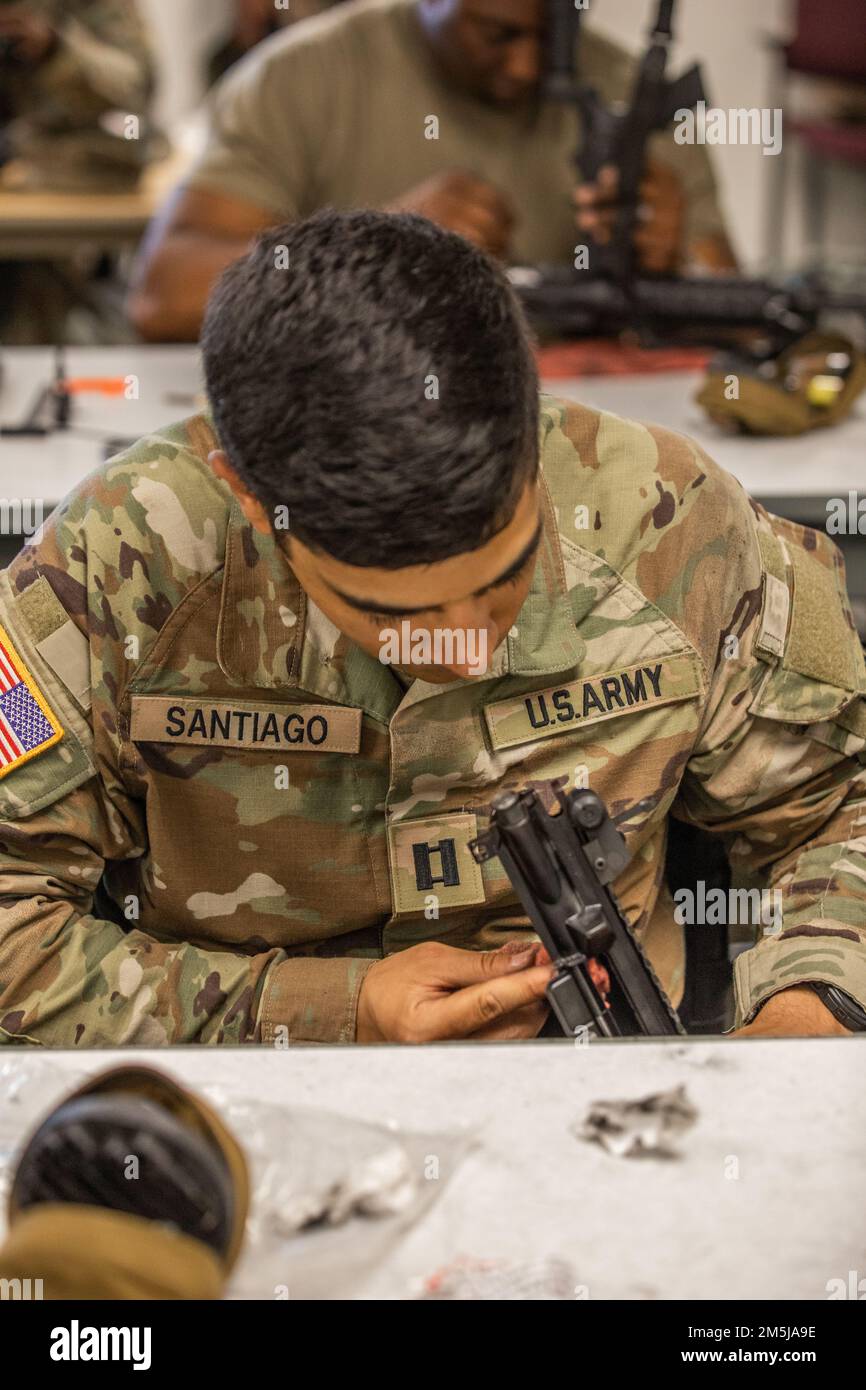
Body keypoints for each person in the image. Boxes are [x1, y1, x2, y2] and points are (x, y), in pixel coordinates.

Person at [1, 210, 863, 1048]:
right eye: (391, 613)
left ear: (536, 437)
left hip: (614, 1092)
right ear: (256, 506)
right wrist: (328, 1010)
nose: (466, 647)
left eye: (503, 581)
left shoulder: (671, 521)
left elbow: (839, 809)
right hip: (242, 1098)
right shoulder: (114, 565)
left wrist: (798, 1030)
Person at [127, 0, 737, 342]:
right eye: (498, 34)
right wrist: (372, 248)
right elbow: (165, 298)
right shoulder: (300, 79)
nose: (527, 68)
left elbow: (741, 314)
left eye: (554, 38)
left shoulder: (635, 93)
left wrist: (671, 265)